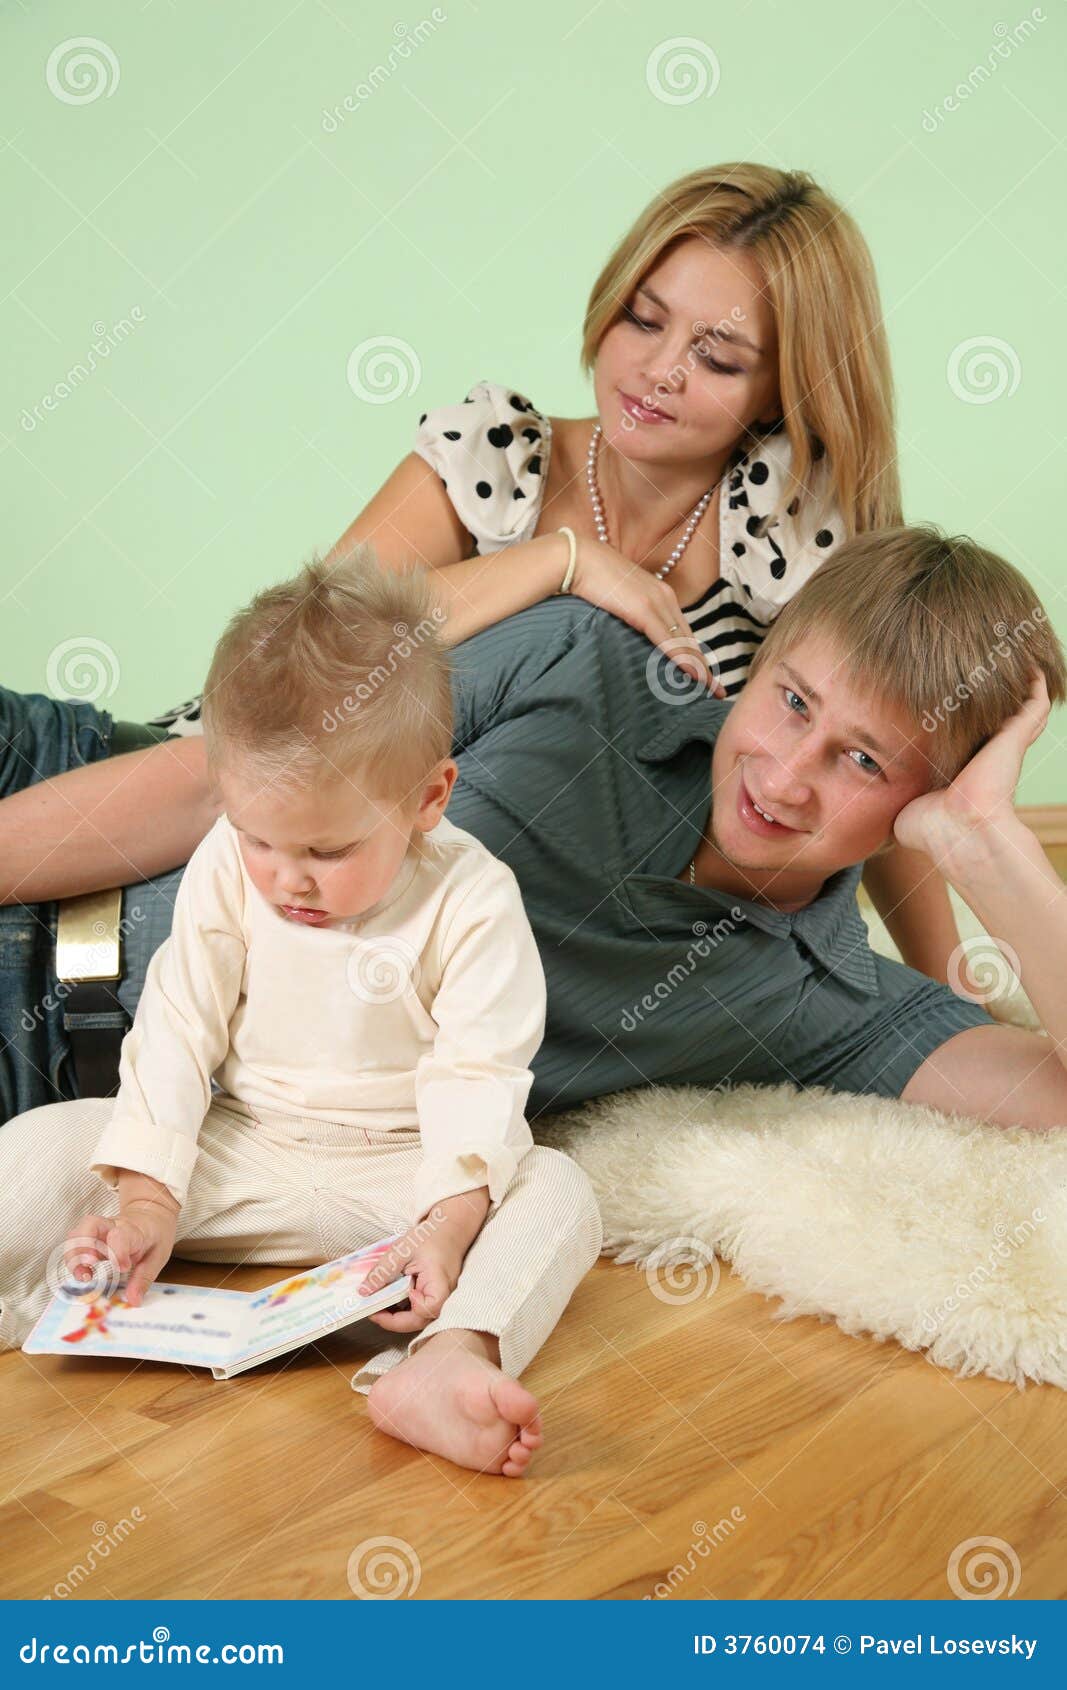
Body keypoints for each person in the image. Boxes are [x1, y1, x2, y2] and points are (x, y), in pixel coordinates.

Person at [0, 163, 972, 1107]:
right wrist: (558, 562)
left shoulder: (791, 551)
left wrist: (947, 984)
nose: (657, 370)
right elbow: (306, 664)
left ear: (780, 388)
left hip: (268, 911)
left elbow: (877, 761)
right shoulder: (495, 450)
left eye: (715, 357)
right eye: (643, 316)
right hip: (125, 778)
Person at [0, 550, 604, 1478]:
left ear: (426, 800)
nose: (287, 877)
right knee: (47, 1140)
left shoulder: (475, 901)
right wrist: (148, 1195)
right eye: (258, 838)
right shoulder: (226, 866)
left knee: (558, 1190)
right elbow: (177, 1023)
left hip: (399, 1183)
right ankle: (47, 1284)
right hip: (238, 1149)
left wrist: (444, 1227)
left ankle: (450, 1360)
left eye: (327, 847)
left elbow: (477, 1073)